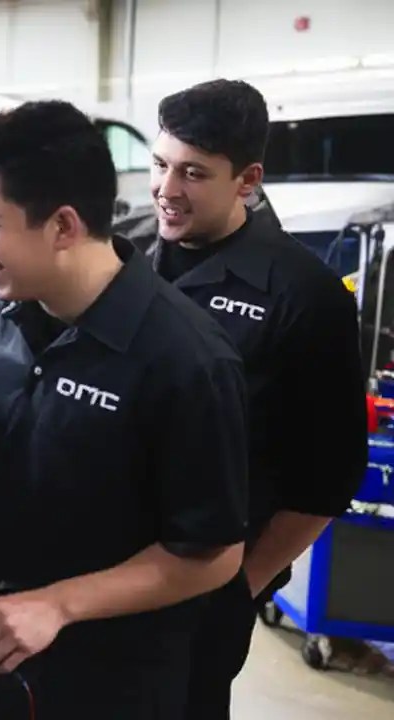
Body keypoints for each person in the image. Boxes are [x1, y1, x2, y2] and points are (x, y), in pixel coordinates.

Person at [0, 100, 250, 719]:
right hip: (0, 653)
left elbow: (212, 554)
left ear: (62, 226)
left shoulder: (186, 360)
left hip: (114, 681)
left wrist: (58, 604)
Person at [133, 79, 368, 720]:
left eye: (193, 174)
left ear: (247, 179)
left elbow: (327, 476)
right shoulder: (125, 263)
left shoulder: (305, 295)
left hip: (208, 591)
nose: (166, 189)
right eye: (159, 165)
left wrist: (242, 584)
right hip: (108, 575)